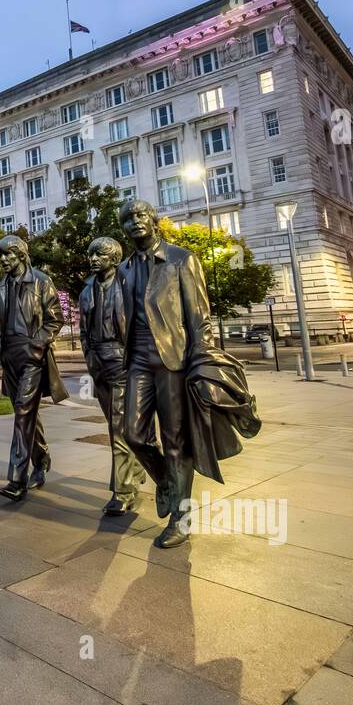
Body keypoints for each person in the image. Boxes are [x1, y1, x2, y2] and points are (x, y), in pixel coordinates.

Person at [117, 200, 212, 548]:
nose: (134, 222)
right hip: (139, 358)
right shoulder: (125, 268)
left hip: (173, 358)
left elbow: (199, 316)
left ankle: (181, 515)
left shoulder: (179, 259)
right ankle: (169, 485)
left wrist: (201, 361)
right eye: (127, 219)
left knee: (175, 440)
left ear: (154, 221)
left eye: (140, 215)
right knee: (134, 433)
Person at [0, 235, 67, 502]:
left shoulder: (41, 281)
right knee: (25, 413)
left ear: (21, 255)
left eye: (7, 255)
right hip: (10, 356)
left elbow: (55, 318)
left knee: (23, 412)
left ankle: (16, 478)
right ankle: (41, 456)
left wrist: (38, 344)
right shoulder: (1, 286)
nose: (2, 260)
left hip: (32, 356)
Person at [78, 236, 147, 515]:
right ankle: (139, 463)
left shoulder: (129, 284)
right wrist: (88, 356)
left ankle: (123, 491)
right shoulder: (86, 291)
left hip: (122, 360)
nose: (94, 259)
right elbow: (84, 330)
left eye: (100, 255)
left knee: (117, 429)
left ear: (114, 260)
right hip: (98, 361)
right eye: (92, 254)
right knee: (117, 422)